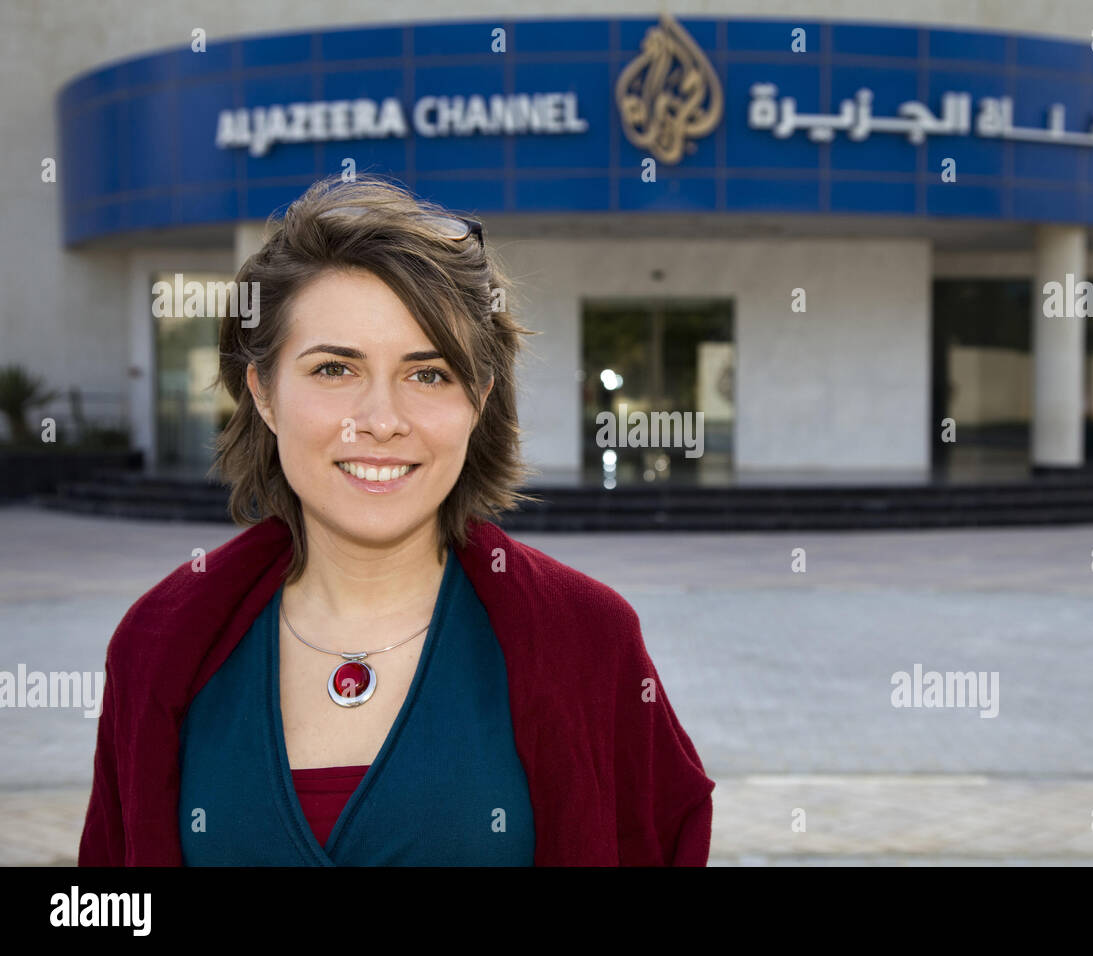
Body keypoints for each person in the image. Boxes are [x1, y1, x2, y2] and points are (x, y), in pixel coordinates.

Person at [77, 174, 715, 866]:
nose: (381, 421)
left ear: (481, 400)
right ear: (262, 393)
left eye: (429, 374)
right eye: (333, 370)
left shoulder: (588, 640)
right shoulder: (157, 643)